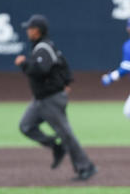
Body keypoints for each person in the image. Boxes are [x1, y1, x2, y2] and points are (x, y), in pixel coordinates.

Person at [15, 14, 97, 181]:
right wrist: (67, 81)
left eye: (29, 28)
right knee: (26, 126)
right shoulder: (43, 46)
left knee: (65, 133)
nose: (27, 31)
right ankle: (55, 146)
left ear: (37, 31)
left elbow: (41, 70)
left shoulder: (44, 48)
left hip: (50, 99)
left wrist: (24, 63)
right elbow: (62, 64)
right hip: (40, 99)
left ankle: (86, 166)